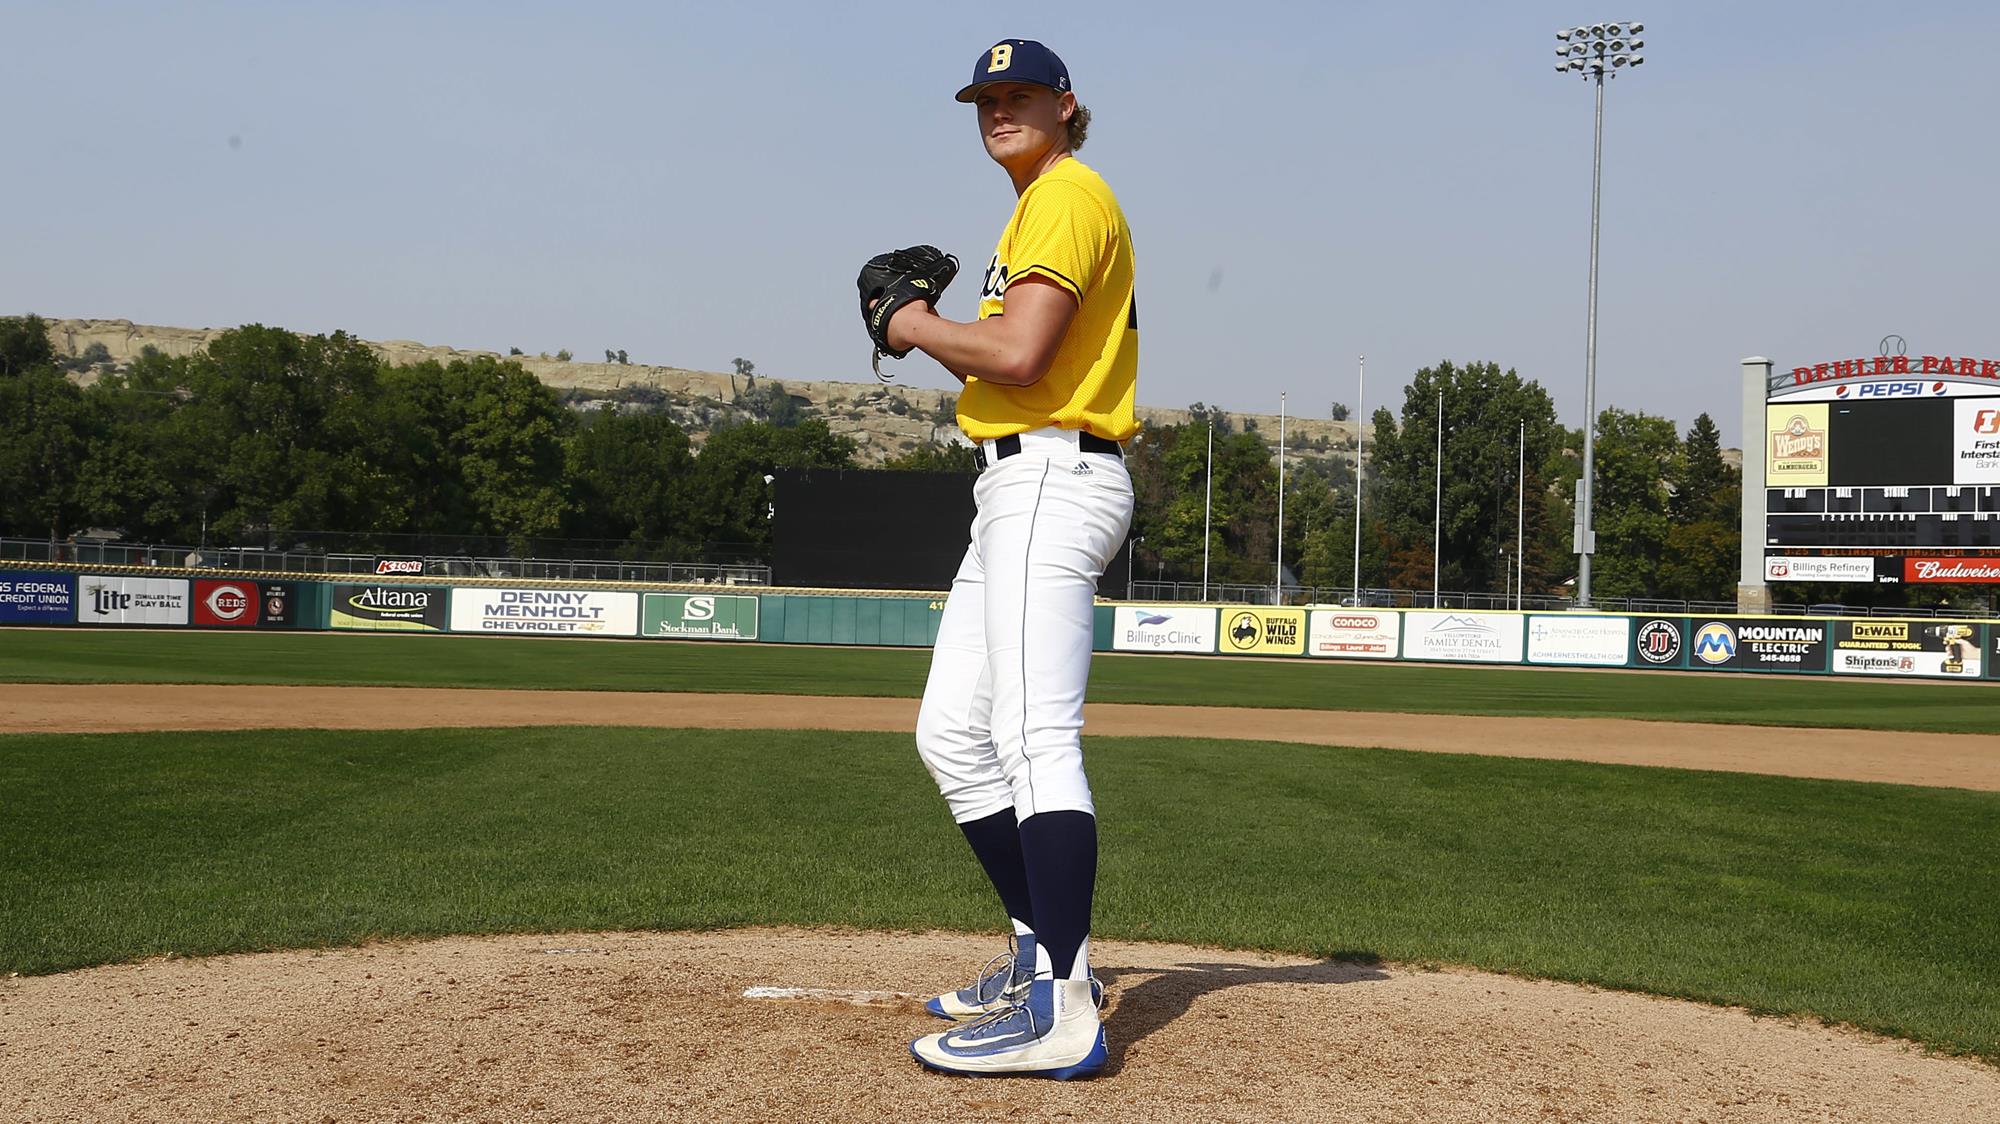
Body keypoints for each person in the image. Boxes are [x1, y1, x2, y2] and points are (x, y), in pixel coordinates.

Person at [877, 38, 1138, 1080]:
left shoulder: (1068, 196)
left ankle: (1065, 1012)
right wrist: (937, 326)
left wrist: (911, 324)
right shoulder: (1031, 207)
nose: (998, 108)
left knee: (1032, 735)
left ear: (1067, 106)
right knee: (951, 735)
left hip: (1053, 474)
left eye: (1019, 92)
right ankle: (1041, 950)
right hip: (1013, 484)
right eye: (984, 97)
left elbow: (1022, 354)